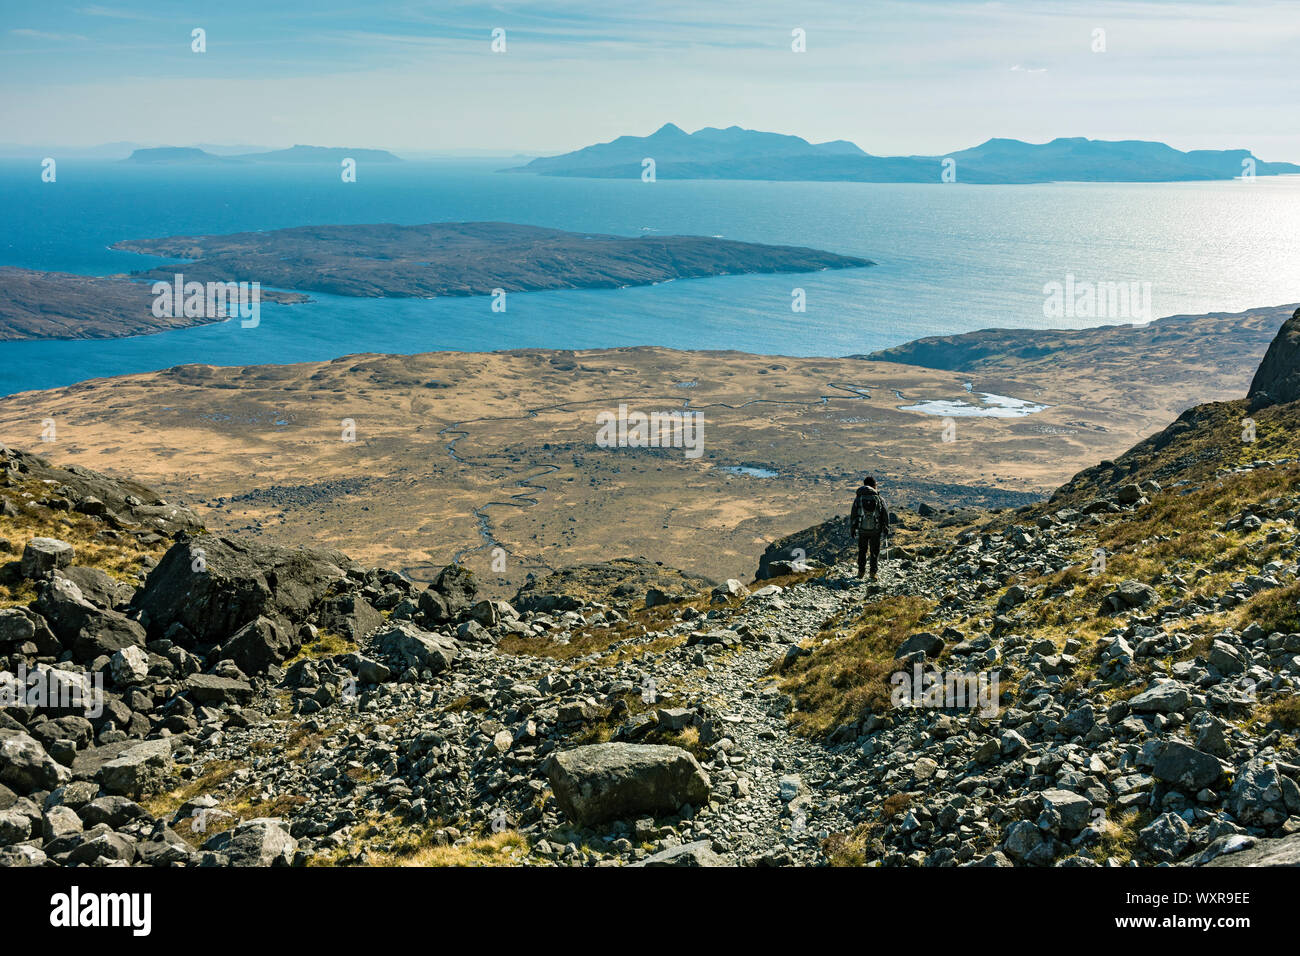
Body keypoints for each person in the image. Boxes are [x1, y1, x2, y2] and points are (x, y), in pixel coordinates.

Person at [849, 476, 889, 581]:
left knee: (862, 550)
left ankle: (861, 572)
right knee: (874, 551)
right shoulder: (879, 498)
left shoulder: (858, 498)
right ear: (873, 485)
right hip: (876, 529)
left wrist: (853, 528)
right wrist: (886, 527)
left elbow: (853, 514)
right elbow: (885, 514)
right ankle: (873, 573)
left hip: (862, 529)